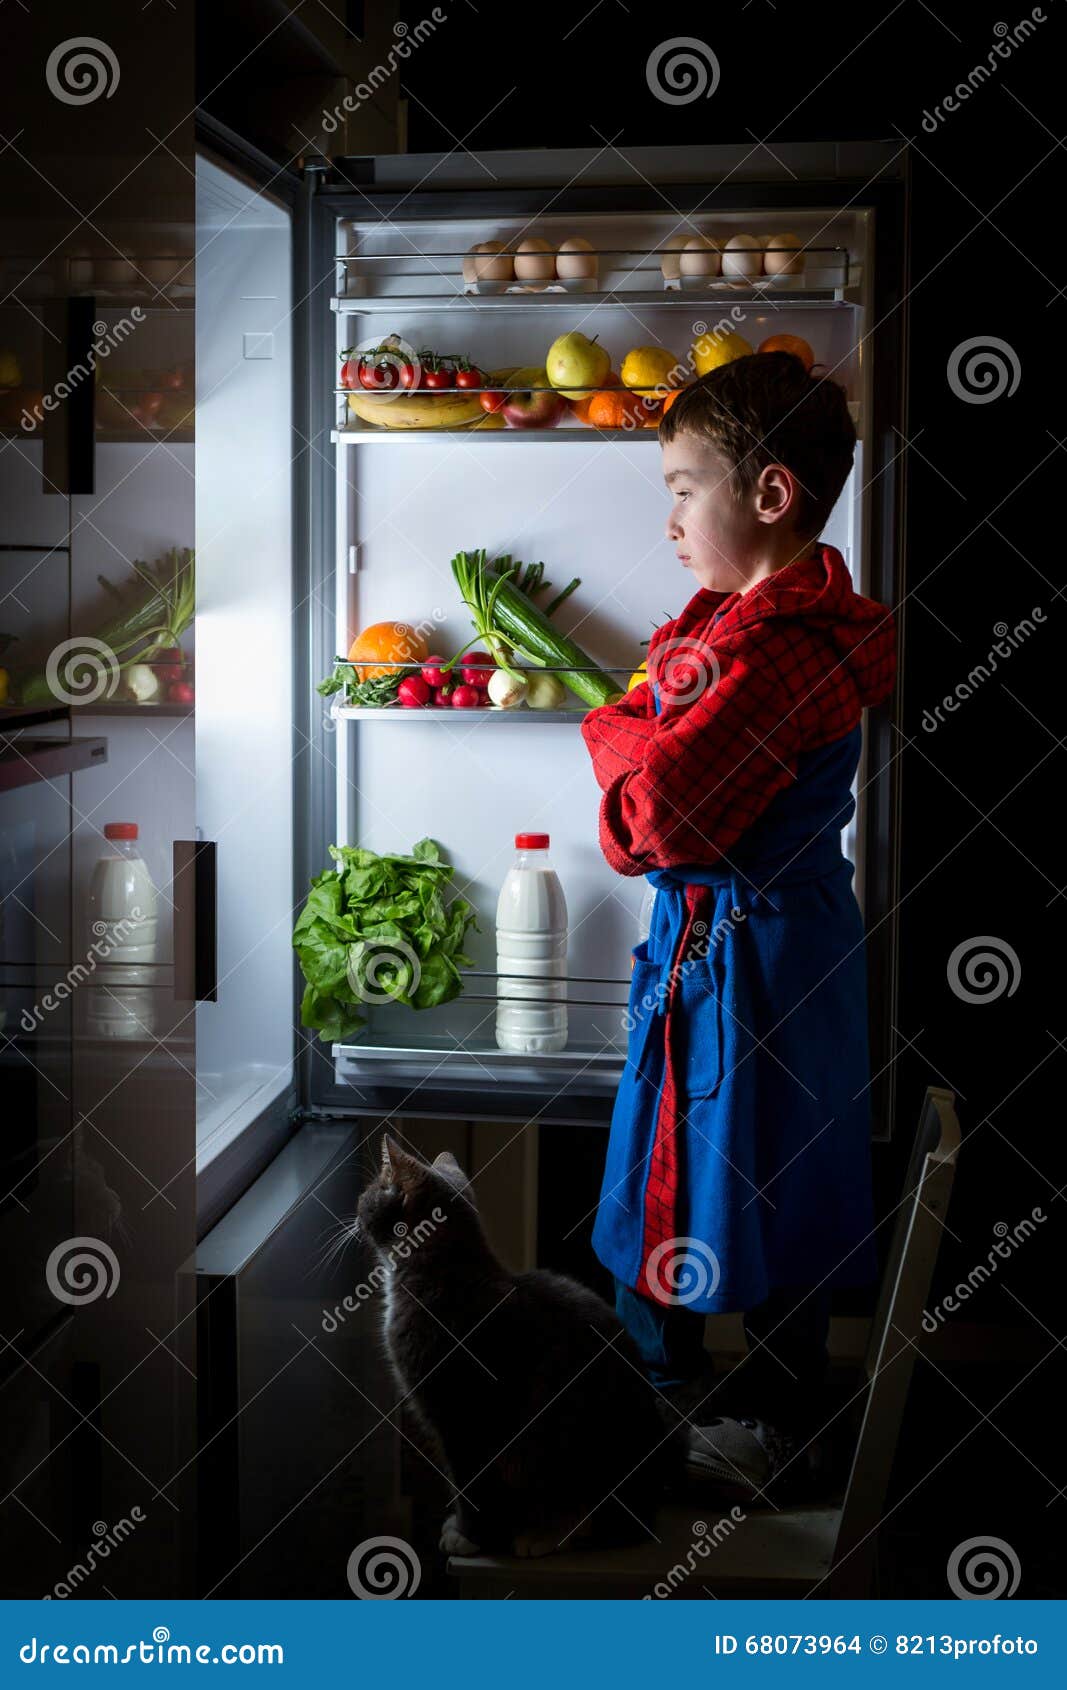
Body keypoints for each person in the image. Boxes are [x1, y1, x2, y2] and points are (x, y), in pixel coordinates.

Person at [580, 351, 896, 1502]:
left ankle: (682, 1420)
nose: (665, 515)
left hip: (738, 950)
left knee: (708, 1157)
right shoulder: (755, 618)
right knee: (777, 1160)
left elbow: (651, 820)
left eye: (679, 486)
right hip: (774, 938)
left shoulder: (767, 656)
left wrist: (617, 753)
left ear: (766, 497)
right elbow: (630, 717)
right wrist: (629, 735)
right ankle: (770, 1408)